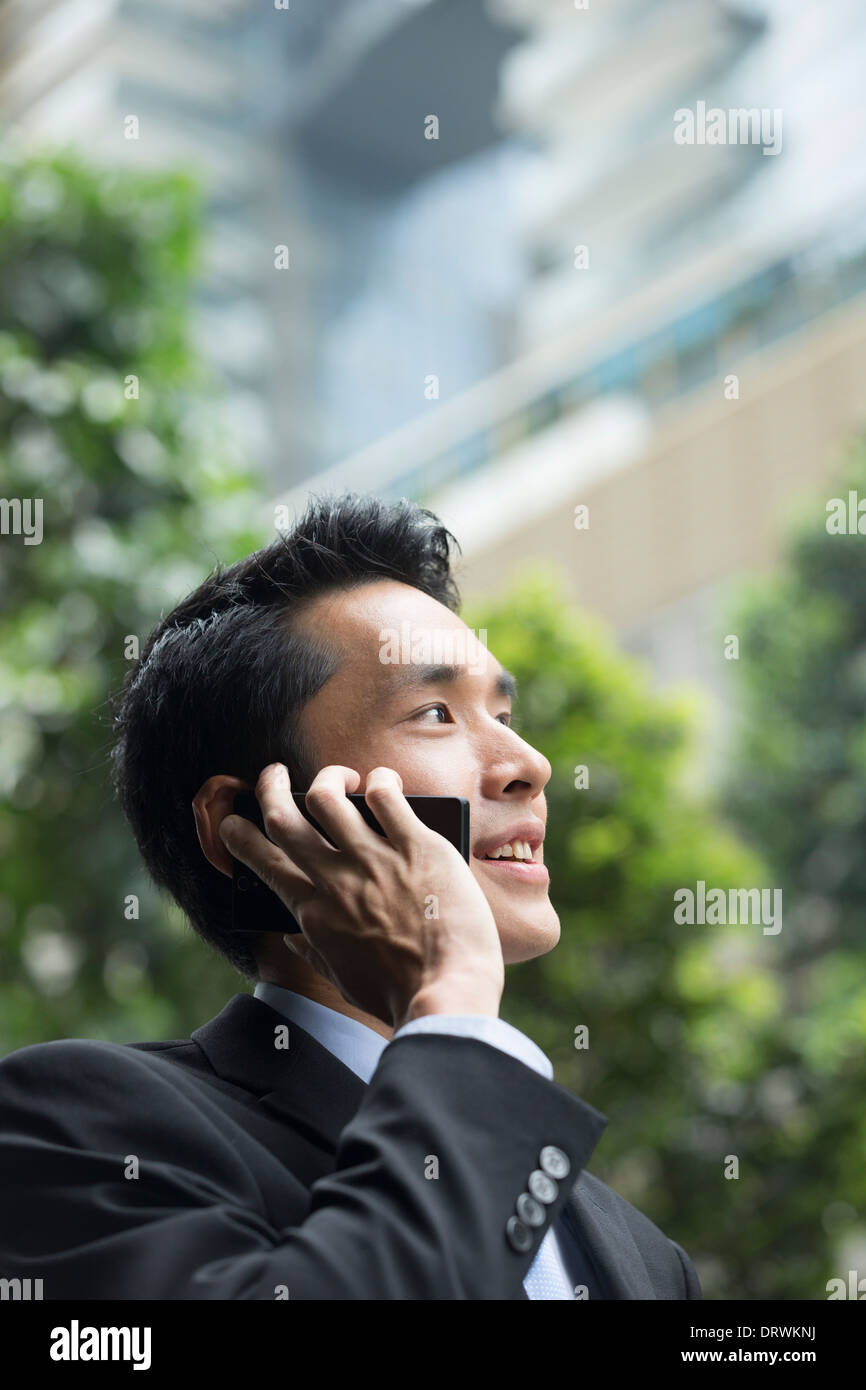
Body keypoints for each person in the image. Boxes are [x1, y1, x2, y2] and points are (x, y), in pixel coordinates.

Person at [0, 493, 701, 1300]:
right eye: (436, 712)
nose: (529, 763)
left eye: (506, 713)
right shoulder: (80, 1126)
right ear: (253, 821)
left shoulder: (645, 1258)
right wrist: (454, 999)